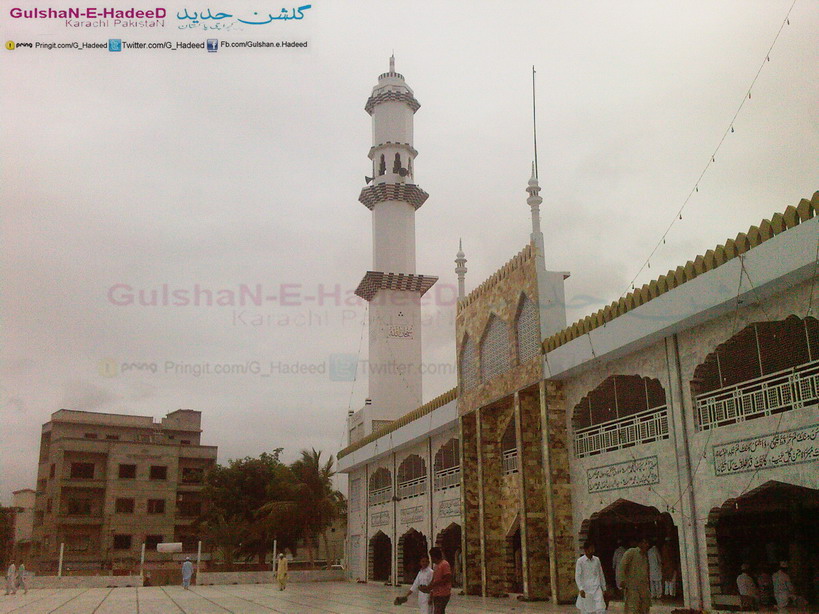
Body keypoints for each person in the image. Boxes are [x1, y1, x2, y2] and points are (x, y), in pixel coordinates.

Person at [619, 536, 651, 614]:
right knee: (632, 609)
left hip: (643, 589)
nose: (647, 545)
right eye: (645, 543)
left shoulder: (645, 556)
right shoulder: (631, 552)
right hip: (632, 588)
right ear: (640, 543)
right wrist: (622, 580)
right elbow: (622, 565)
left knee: (644, 610)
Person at [575, 542, 607, 614]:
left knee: (600, 608)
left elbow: (601, 574)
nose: (593, 550)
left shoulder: (597, 560)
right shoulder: (580, 561)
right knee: (586, 609)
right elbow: (578, 576)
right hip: (586, 589)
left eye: (593, 548)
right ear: (586, 550)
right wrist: (581, 589)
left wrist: (604, 588)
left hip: (596, 588)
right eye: (591, 548)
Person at [420, 547, 452, 614]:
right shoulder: (436, 566)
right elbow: (434, 579)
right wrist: (428, 588)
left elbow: (448, 578)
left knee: (438, 611)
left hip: (443, 593)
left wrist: (437, 583)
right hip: (437, 593)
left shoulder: (444, 564)